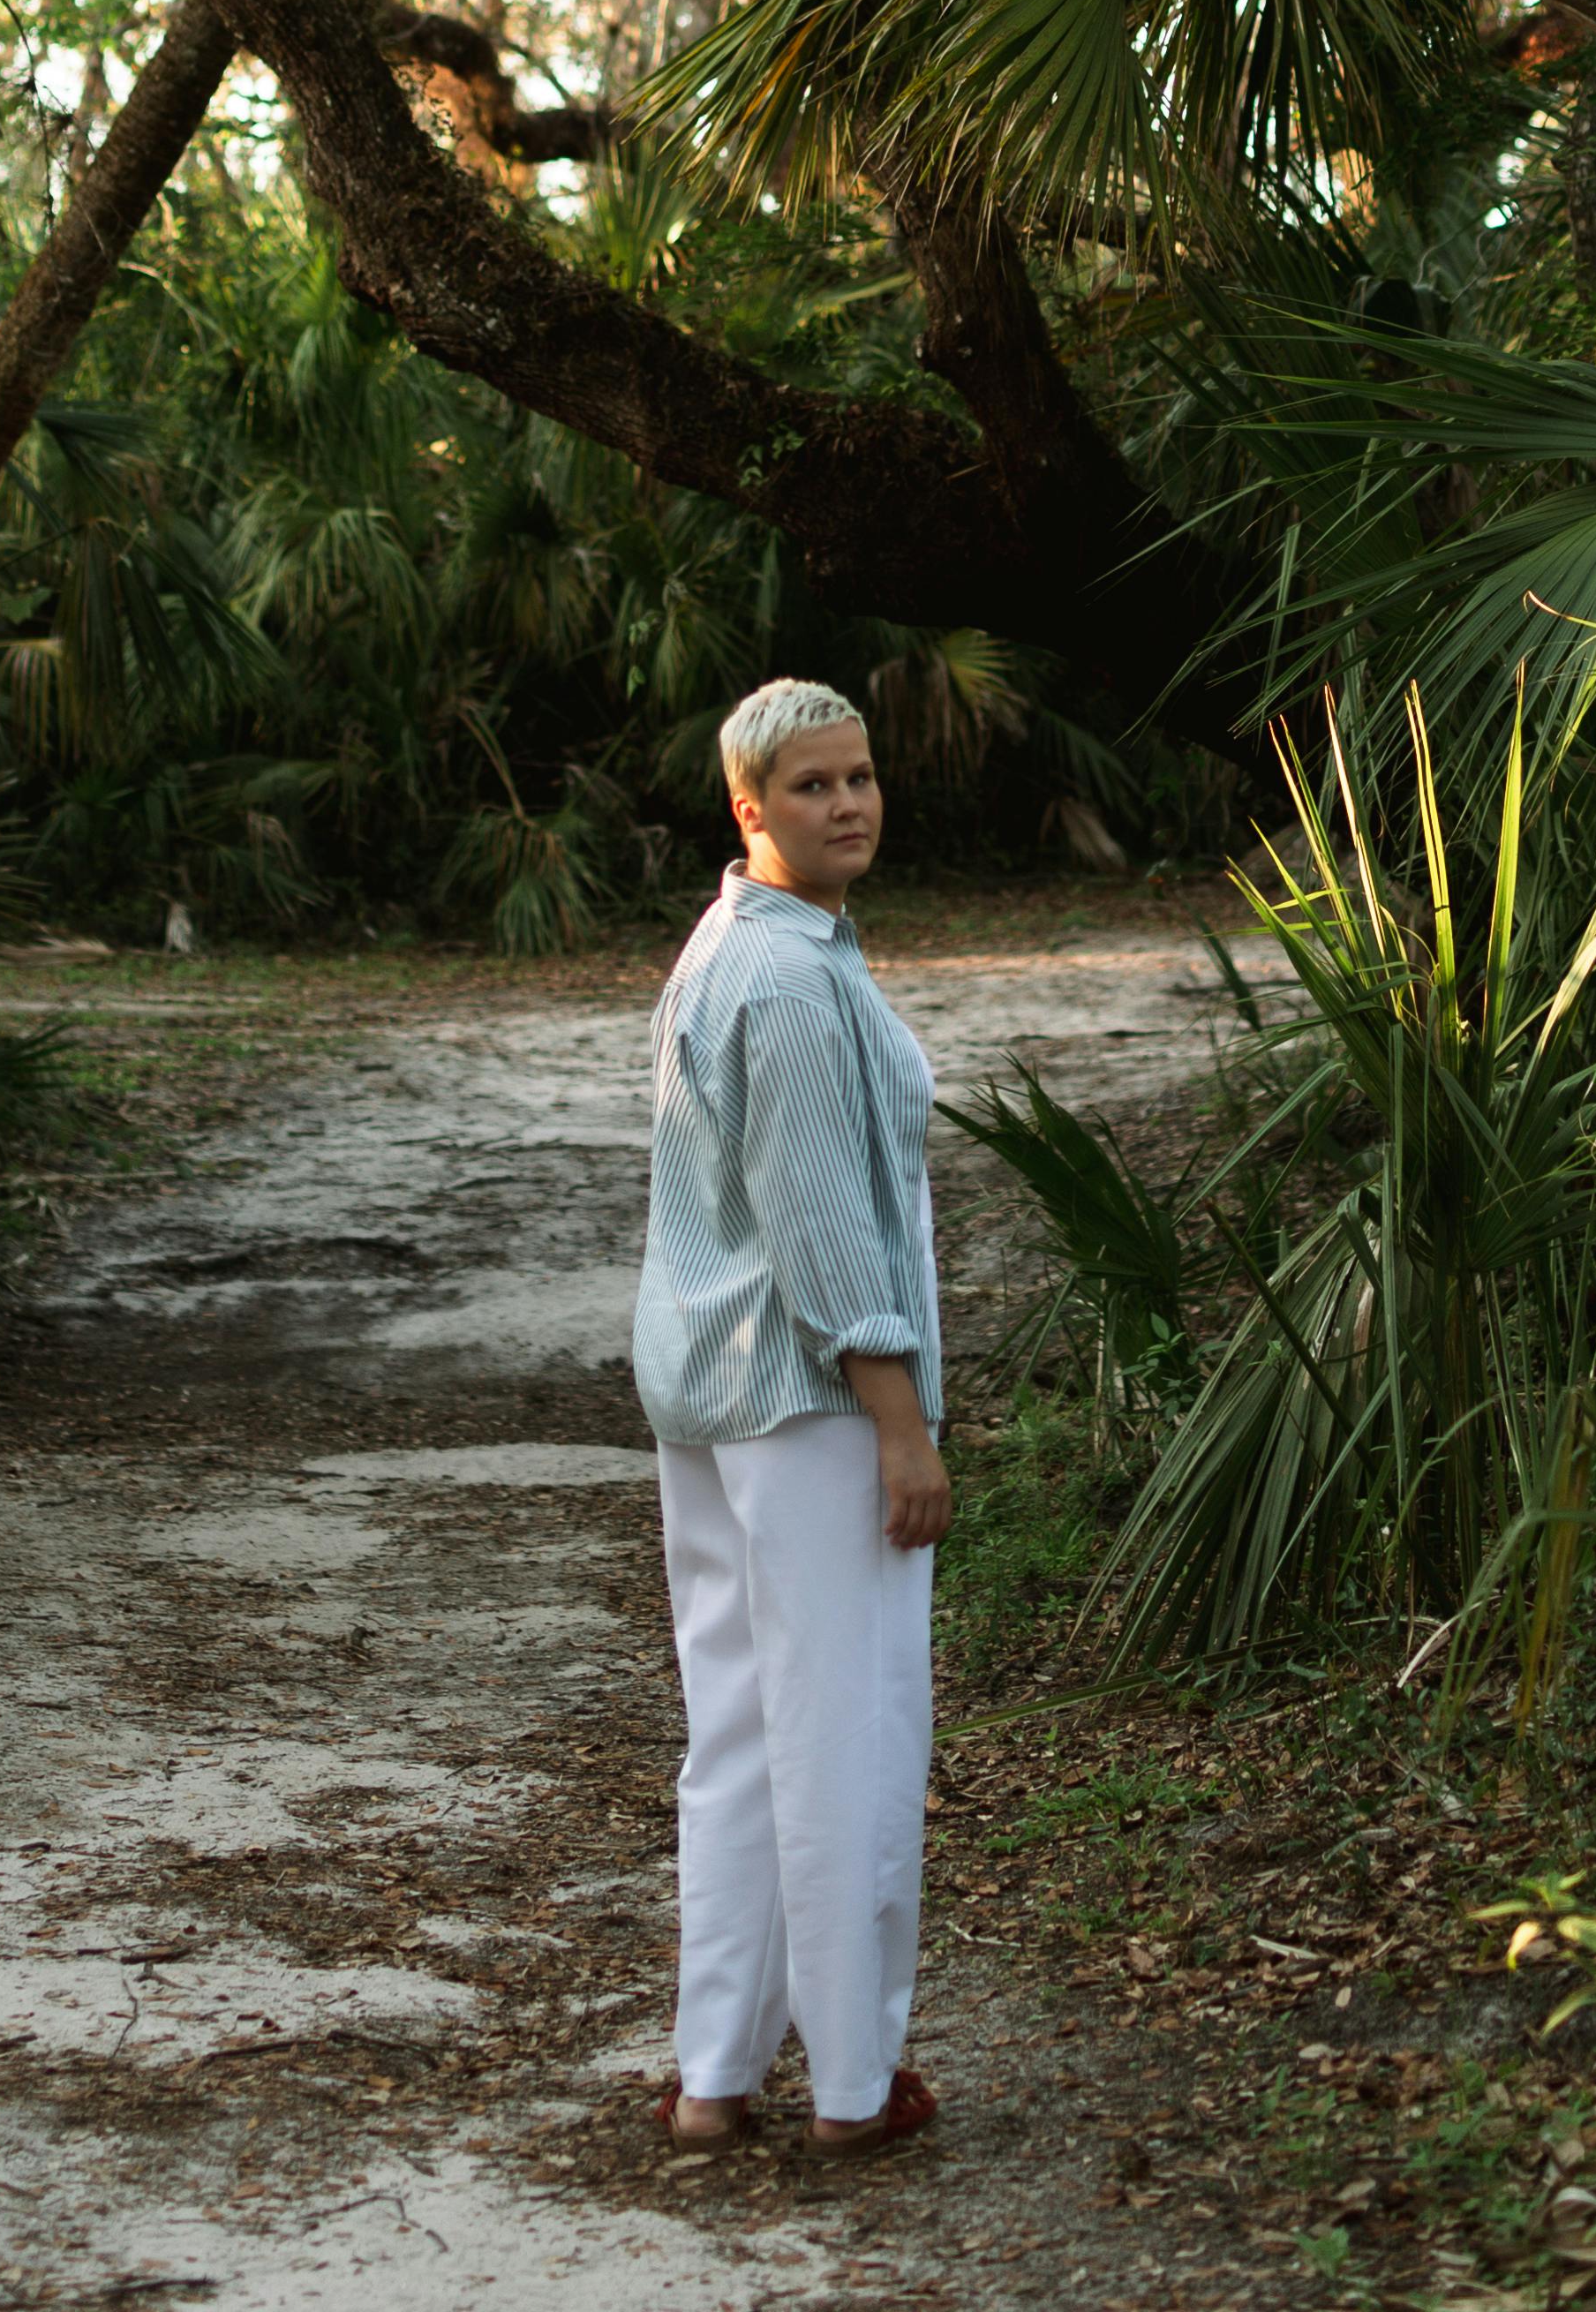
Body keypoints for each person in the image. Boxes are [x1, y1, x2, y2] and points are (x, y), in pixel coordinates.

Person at [633, 676, 946, 2158]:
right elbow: (822, 1229)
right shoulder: (789, 980)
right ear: (749, 807)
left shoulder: (738, 946)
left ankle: (715, 2077)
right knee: (848, 1735)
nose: (850, 804)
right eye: (813, 787)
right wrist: (900, 1421)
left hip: (715, 1393)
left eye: (862, 776)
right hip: (812, 1404)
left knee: (747, 1734)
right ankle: (849, 2091)